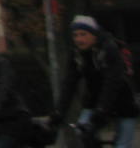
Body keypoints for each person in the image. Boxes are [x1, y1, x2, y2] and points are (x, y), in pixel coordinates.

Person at [56, 15, 138, 148]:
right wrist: (59, 112)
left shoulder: (109, 50)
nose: (79, 39)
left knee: (122, 144)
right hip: (94, 102)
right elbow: (69, 84)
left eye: (83, 34)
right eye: (75, 35)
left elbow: (112, 82)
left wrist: (102, 110)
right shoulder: (77, 54)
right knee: (82, 130)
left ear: (94, 35)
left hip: (124, 102)